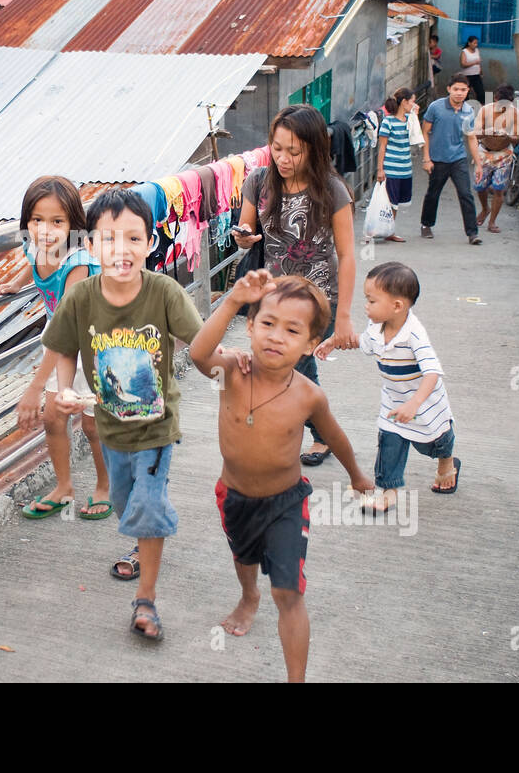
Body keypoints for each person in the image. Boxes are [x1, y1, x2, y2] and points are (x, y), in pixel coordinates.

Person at [190, 270, 374, 682]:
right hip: (234, 496)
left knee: (288, 592)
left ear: (310, 344)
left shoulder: (309, 395)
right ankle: (247, 595)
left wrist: (357, 474)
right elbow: (198, 355)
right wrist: (234, 300)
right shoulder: (231, 371)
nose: (275, 336)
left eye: (292, 330)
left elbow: (335, 436)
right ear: (251, 326)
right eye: (268, 323)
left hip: (286, 502)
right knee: (243, 556)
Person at [43, 187, 205, 640]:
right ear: (91, 246)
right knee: (123, 503)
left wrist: (226, 366)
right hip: (111, 430)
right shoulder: (81, 299)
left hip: (156, 428)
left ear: (150, 244)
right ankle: (141, 536)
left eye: (134, 239)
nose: (122, 250)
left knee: (148, 504)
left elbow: (201, 342)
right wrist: (63, 391)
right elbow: (63, 348)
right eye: (109, 239)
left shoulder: (164, 292)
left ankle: (146, 600)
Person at [231, 104, 357, 467]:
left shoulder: (332, 190)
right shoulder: (257, 180)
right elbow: (246, 229)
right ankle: (317, 435)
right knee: (292, 368)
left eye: (294, 151)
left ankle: (293, 437)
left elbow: (347, 255)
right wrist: (243, 238)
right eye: (277, 148)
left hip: (319, 300)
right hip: (273, 297)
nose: (283, 158)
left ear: (314, 149)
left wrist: (345, 317)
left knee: (290, 368)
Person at [0, 176, 111, 520]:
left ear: (74, 225)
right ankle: (63, 489)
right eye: (37, 220)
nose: (45, 231)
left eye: (57, 222)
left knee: (94, 426)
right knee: (53, 418)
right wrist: (14, 284)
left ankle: (105, 487)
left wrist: (33, 388)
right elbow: (30, 264)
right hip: (62, 336)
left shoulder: (77, 262)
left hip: (95, 343)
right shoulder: (34, 245)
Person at [316, 262, 460, 513]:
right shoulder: (377, 328)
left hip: (425, 404)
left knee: (437, 442)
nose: (366, 306)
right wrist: (333, 342)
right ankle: (387, 492)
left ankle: (446, 463)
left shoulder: (414, 334)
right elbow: (362, 342)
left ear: (397, 306)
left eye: (372, 301)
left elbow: (433, 372)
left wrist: (414, 403)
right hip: (393, 402)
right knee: (389, 442)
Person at [419, 74, 484, 245]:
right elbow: (425, 132)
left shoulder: (468, 111)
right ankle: (426, 224)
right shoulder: (436, 107)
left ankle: (472, 233)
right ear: (449, 89)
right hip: (438, 158)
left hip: (458, 159)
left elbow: (471, 138)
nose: (459, 93)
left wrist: (478, 164)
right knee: (433, 193)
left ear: (468, 91)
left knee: (466, 194)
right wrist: (426, 158)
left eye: (463, 90)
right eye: (456, 89)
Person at [472, 83, 519, 234]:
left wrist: (507, 135)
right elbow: (476, 134)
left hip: (504, 154)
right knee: (480, 186)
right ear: (495, 99)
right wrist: (489, 131)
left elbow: (517, 139)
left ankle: (492, 221)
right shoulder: (485, 110)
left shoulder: (516, 114)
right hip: (484, 152)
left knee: (499, 189)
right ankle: (485, 209)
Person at [376, 87, 416, 242]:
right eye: (412, 101)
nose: (414, 104)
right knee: (389, 202)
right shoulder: (388, 122)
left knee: (396, 203)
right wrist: (380, 169)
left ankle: (389, 231)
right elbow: (382, 147)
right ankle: (385, 230)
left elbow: (416, 138)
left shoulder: (410, 121)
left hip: (405, 168)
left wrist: (414, 116)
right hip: (391, 168)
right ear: (404, 102)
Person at [459, 35, 485, 105]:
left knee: (481, 93)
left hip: (476, 75)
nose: (476, 45)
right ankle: (465, 107)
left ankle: (482, 108)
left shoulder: (477, 50)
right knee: (465, 93)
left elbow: (479, 62)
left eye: (477, 43)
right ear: (469, 43)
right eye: (474, 43)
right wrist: (474, 63)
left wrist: (480, 71)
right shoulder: (464, 51)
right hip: (467, 76)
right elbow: (463, 64)